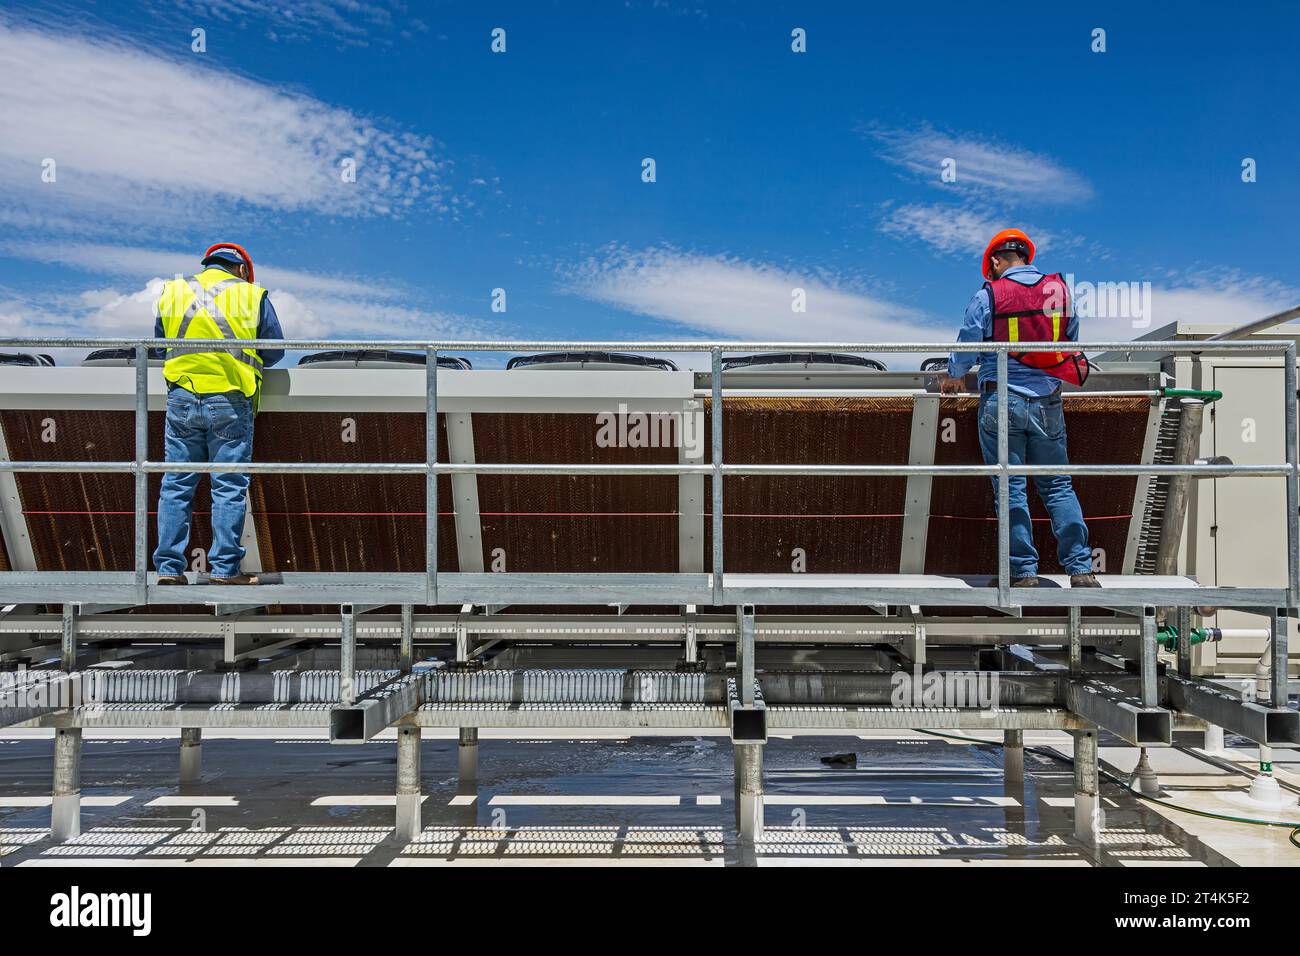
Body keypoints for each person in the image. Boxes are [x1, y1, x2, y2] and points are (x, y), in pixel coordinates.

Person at [935, 229, 1099, 588]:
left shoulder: (988, 294)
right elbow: (1070, 341)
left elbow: (967, 342)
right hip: (1048, 401)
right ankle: (1081, 569)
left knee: (1011, 488)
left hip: (1001, 400)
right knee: (1057, 485)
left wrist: (955, 376)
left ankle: (1023, 573)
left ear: (995, 261)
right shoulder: (1059, 292)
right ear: (1025, 255)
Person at [151, 243, 284, 585]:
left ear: (208, 264)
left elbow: (157, 345)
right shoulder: (251, 295)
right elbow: (274, 352)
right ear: (241, 269)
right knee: (228, 487)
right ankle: (224, 571)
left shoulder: (174, 291)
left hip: (181, 396)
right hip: (229, 399)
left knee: (177, 484)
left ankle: (168, 570)